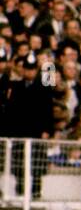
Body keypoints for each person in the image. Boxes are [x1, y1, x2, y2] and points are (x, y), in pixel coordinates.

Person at [2, 52, 54, 200]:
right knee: (19, 165)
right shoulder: (16, 87)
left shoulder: (44, 87)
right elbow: (10, 111)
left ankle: (36, 192)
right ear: (23, 70)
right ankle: (20, 192)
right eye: (27, 69)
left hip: (37, 131)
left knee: (37, 164)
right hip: (20, 131)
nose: (30, 72)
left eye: (33, 69)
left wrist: (47, 130)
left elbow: (48, 110)